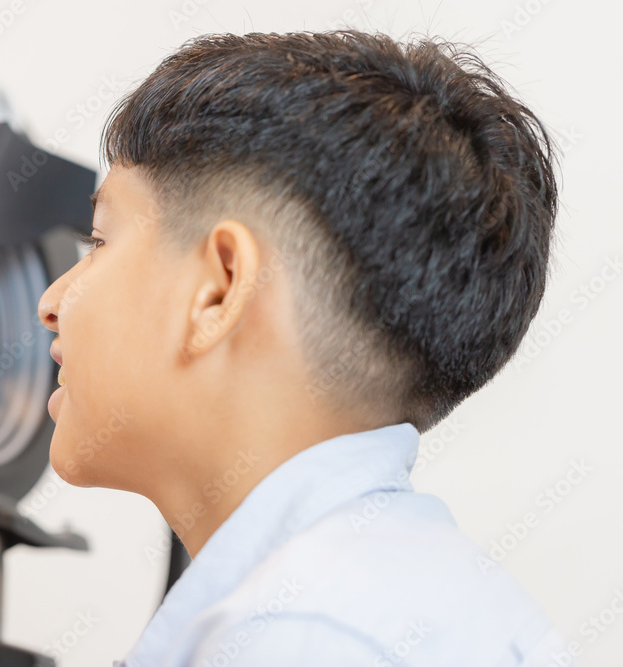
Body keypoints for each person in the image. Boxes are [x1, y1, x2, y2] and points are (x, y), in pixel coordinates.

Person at [36, 30, 575, 666]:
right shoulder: (393, 599)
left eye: (99, 243)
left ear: (220, 289)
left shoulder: (299, 636)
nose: (52, 300)